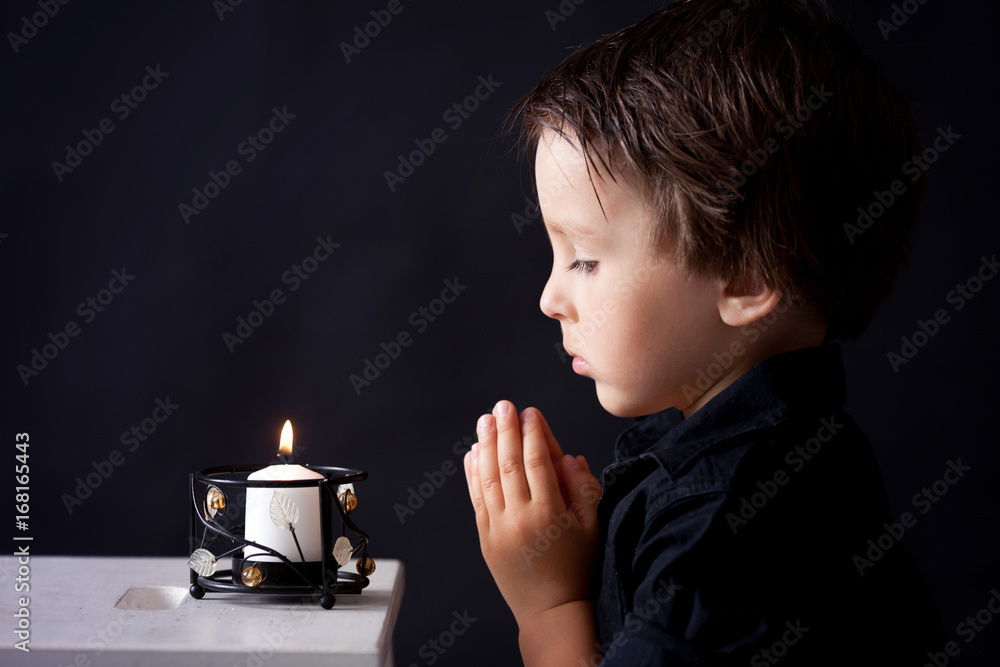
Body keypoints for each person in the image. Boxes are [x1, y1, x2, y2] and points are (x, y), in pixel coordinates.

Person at [462, 0, 945, 665]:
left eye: (585, 258)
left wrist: (548, 605)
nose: (550, 298)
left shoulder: (729, 542)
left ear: (745, 279)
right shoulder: (796, 450)